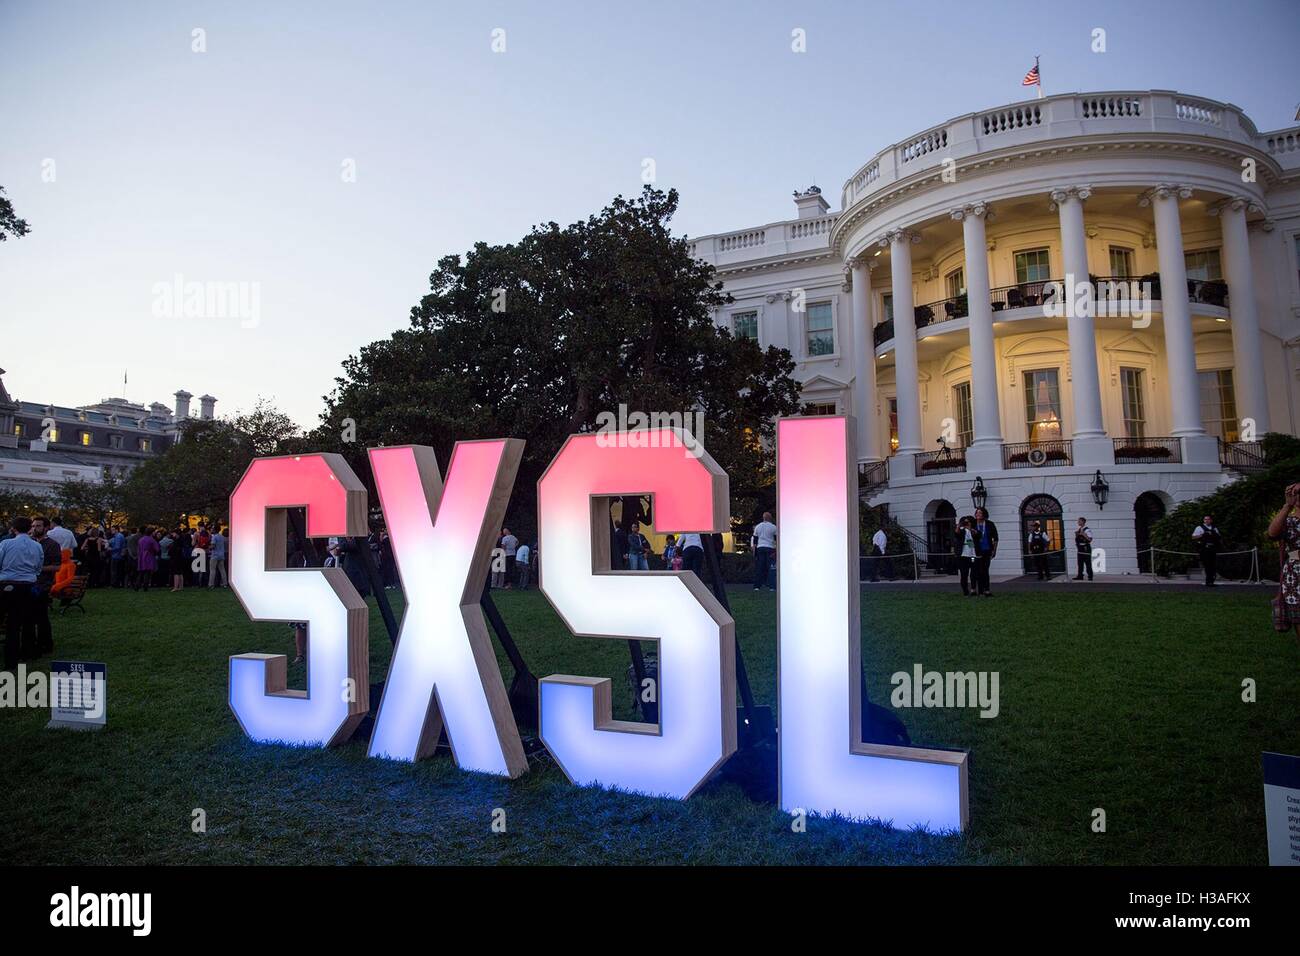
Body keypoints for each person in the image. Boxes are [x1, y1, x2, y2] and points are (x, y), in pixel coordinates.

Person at [0, 517, 43, 669]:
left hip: (7, 584)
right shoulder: (36, 546)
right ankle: (27, 652)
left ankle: (10, 658)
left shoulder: (6, 543)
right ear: (29, 528)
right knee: (27, 622)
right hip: (28, 585)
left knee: (11, 624)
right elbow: (38, 567)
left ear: (14, 528)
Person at [1266, 483, 1300, 647]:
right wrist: (1287, 505)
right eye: (1296, 492)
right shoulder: (1290, 521)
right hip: (1295, 575)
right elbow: (1272, 533)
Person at [29, 516, 62, 655]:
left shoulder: (52, 544)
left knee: (41, 616)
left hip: (43, 584)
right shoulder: (29, 542)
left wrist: (38, 568)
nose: (35, 528)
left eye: (38, 526)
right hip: (29, 583)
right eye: (33, 525)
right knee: (29, 616)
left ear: (46, 527)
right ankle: (32, 643)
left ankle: (46, 643)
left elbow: (56, 566)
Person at [972, 507, 999, 596]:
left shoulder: (990, 524)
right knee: (977, 570)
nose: (978, 514)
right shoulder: (972, 524)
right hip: (975, 551)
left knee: (985, 570)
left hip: (987, 550)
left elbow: (995, 539)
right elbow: (968, 538)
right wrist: (971, 548)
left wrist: (994, 551)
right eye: (977, 513)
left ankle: (986, 590)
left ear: (984, 514)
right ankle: (979, 590)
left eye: (980, 513)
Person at [1192, 513, 1222, 586]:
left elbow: (1219, 537)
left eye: (1208, 519)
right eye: (1205, 519)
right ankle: (1208, 581)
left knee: (1213, 565)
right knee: (1207, 565)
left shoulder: (1214, 528)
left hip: (1213, 548)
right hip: (1204, 548)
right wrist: (1203, 535)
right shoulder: (1199, 528)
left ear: (1211, 520)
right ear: (1203, 520)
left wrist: (1214, 535)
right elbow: (1193, 537)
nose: (1207, 521)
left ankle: (1211, 581)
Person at [751, 511, 777, 591]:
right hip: (770, 548)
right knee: (771, 567)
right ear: (770, 518)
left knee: (760, 567)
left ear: (763, 518)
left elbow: (755, 540)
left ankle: (757, 586)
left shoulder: (758, 527)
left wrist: (754, 551)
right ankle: (772, 586)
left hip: (760, 548)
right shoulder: (773, 527)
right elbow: (776, 539)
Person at [955, 515, 977, 596]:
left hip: (972, 555)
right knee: (964, 574)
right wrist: (959, 525)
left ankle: (973, 589)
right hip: (963, 556)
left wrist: (970, 529)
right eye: (965, 522)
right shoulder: (962, 531)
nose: (966, 523)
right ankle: (965, 591)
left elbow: (974, 539)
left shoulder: (971, 531)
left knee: (974, 572)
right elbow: (957, 533)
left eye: (968, 522)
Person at [135, 526, 160, 591]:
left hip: (141, 556)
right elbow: (157, 549)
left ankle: (137, 586)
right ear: (151, 532)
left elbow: (138, 548)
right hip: (149, 556)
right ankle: (145, 587)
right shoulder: (152, 540)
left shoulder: (141, 539)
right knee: (147, 572)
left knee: (141, 572)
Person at [172, 525, 192, 591]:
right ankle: (181, 586)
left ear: (176, 533)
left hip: (177, 557)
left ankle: (176, 587)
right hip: (182, 557)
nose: (172, 534)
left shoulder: (177, 541)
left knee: (176, 572)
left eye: (173, 533)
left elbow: (175, 549)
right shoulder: (182, 539)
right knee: (180, 572)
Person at [1073, 517, 1094, 581]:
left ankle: (1090, 576)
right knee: (1080, 563)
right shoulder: (1079, 529)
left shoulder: (1087, 530)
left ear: (1083, 522)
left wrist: (1083, 534)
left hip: (1085, 549)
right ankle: (1080, 576)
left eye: (1079, 521)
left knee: (1088, 563)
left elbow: (1090, 539)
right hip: (1080, 549)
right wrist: (1077, 534)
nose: (1078, 522)